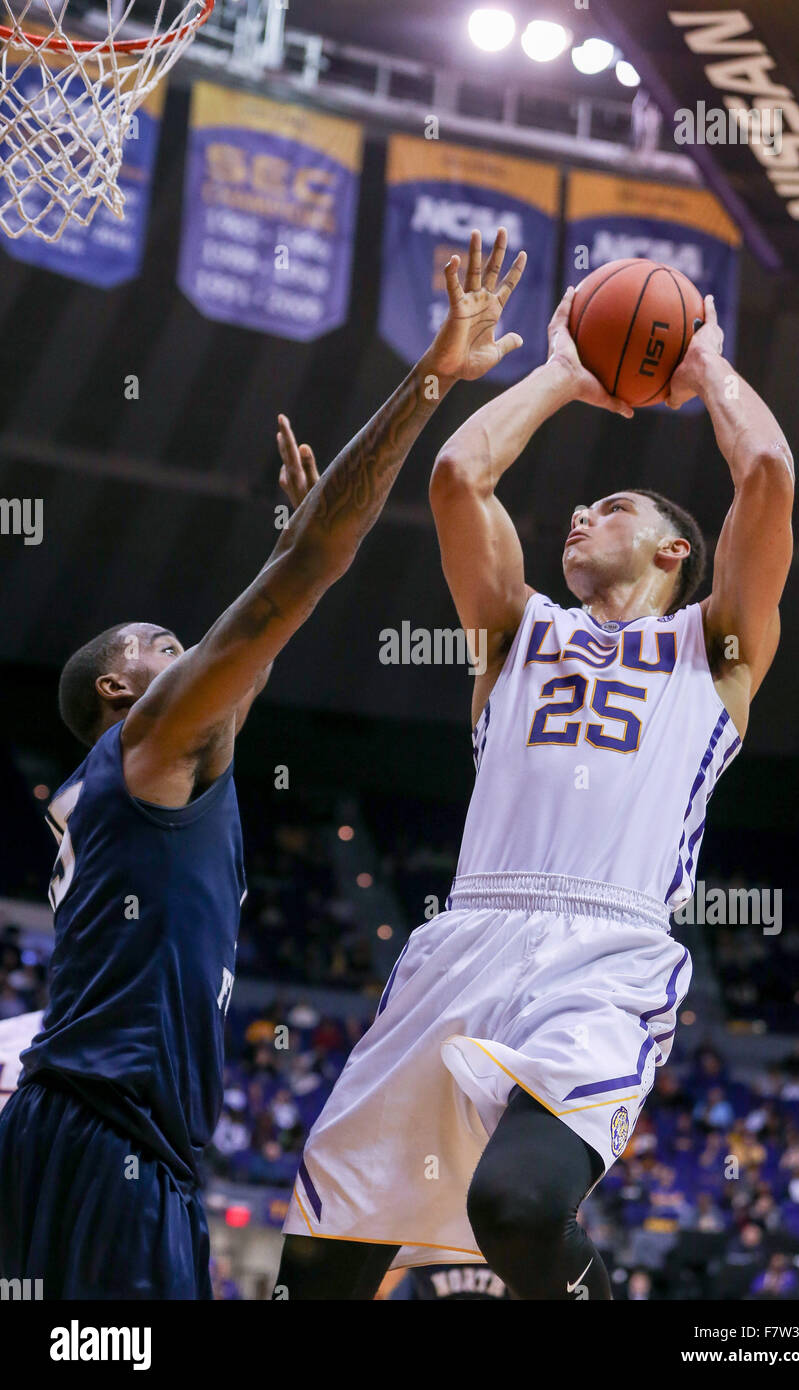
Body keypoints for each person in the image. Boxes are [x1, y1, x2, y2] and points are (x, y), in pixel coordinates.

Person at [0, 228, 526, 1300]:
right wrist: (432, 375)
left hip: (102, 1132)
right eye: (161, 645)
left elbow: (259, 633)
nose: (188, 649)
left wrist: (290, 549)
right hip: (108, 1138)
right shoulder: (147, 743)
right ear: (117, 689)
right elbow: (305, 577)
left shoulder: (136, 775)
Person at [275, 270, 794, 1300]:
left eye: (609, 506)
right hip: (463, 940)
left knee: (514, 1207)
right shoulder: (516, 629)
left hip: (605, 951)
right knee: (319, 1272)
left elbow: (768, 472)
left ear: (670, 548)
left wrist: (705, 364)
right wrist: (561, 371)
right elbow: (459, 477)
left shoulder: (716, 646)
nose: (578, 512)